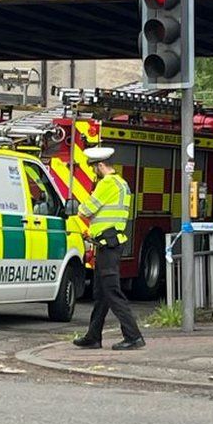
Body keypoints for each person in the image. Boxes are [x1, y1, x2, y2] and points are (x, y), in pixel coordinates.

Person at [72, 147, 145, 351]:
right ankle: (93, 336)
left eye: (94, 168)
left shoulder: (107, 184)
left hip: (108, 245)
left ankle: (133, 336)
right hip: (109, 243)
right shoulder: (122, 183)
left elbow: (86, 209)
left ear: (101, 166)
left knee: (112, 291)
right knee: (101, 293)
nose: (94, 172)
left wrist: (82, 209)